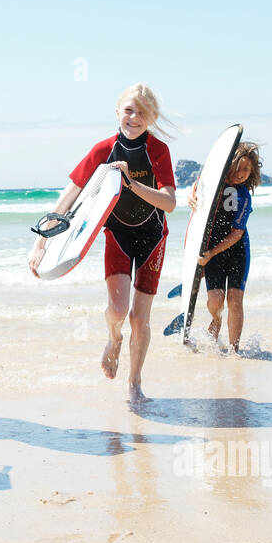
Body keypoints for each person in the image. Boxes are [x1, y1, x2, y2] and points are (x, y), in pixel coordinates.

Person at [28, 84, 176, 403]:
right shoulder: (103, 150)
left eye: (142, 112)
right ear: (117, 111)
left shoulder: (158, 150)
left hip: (153, 236)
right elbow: (70, 194)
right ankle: (113, 338)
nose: (134, 118)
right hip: (118, 234)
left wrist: (130, 183)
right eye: (129, 110)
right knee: (118, 310)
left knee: (140, 318)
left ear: (151, 117)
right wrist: (42, 241)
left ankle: (134, 383)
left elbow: (168, 203)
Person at [193, 142, 261, 352]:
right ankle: (216, 319)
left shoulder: (243, 196)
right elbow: (200, 184)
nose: (241, 174)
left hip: (236, 250)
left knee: (235, 299)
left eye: (246, 169)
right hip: (211, 249)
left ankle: (235, 350)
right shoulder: (214, 185)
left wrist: (211, 253)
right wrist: (191, 195)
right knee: (215, 301)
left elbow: (236, 233)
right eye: (238, 167)